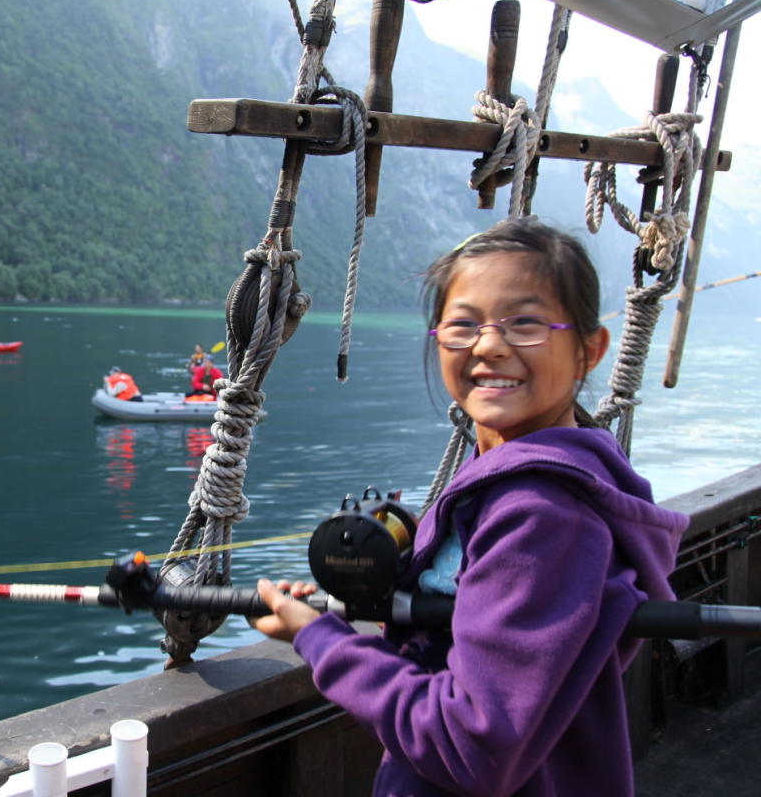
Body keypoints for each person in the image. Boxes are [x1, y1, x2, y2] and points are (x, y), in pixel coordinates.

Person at [255, 218, 687, 796]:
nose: (488, 346)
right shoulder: (507, 481)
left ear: (589, 351)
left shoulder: (542, 515)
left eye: (525, 323)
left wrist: (320, 640)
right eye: (462, 325)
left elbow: (473, 743)